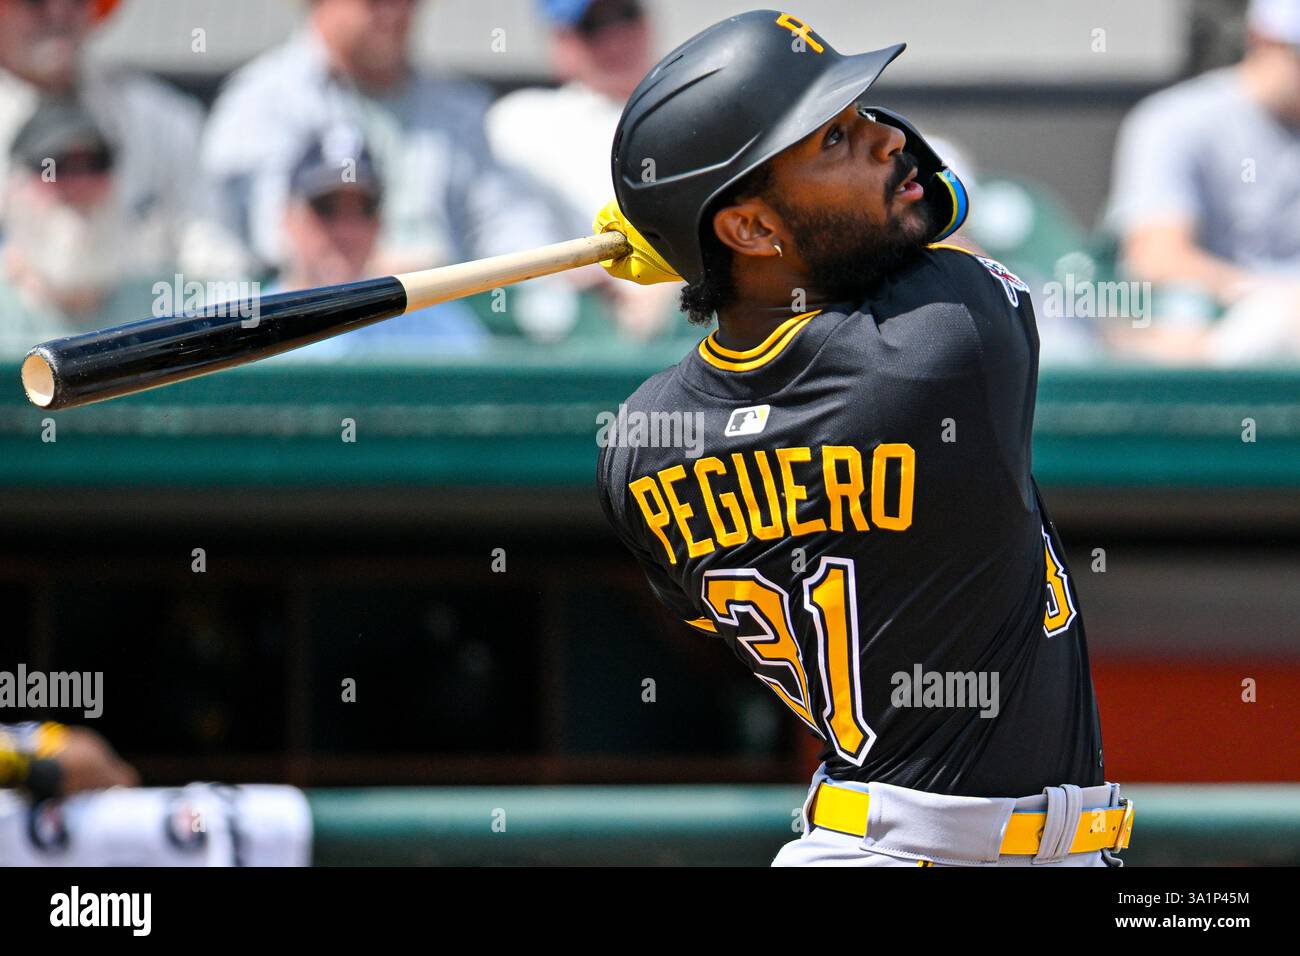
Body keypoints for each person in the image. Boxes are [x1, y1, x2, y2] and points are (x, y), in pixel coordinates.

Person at [595, 11, 1131, 867]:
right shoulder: (942, 343)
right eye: (836, 139)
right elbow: (940, 197)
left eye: (862, 117)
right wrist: (695, 240)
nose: (885, 140)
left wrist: (703, 237)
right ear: (750, 228)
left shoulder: (635, 446)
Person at [202, 0, 578, 342]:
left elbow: (512, 229)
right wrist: (381, 266)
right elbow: (271, 241)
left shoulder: (458, 104)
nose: (395, 13)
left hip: (438, 334)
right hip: (303, 340)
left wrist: (559, 274)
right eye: (376, 1)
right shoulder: (259, 100)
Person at [1106, 0, 1300, 363]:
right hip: (1221, 330)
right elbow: (1155, 257)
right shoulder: (1177, 120)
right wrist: (1265, 296)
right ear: (1262, 39)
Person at [0, 0, 250, 281]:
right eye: (33, 2)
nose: (59, 12)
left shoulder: (163, 118)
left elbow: (217, 258)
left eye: (76, 0)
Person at [488, 0, 680, 340]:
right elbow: (506, 238)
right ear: (560, 42)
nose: (616, 36)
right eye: (593, 26)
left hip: (688, 321)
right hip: (570, 337)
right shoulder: (523, 121)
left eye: (626, 15)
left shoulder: (692, 112)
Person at [270, 126, 488, 359]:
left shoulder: (432, 323)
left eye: (365, 209)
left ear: (380, 223)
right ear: (288, 218)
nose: (347, 231)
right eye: (326, 209)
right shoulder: (243, 323)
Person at [0, 99, 160, 355]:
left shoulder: (160, 308)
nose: (79, 186)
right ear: (12, 191)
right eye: (55, 168)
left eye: (95, 165)